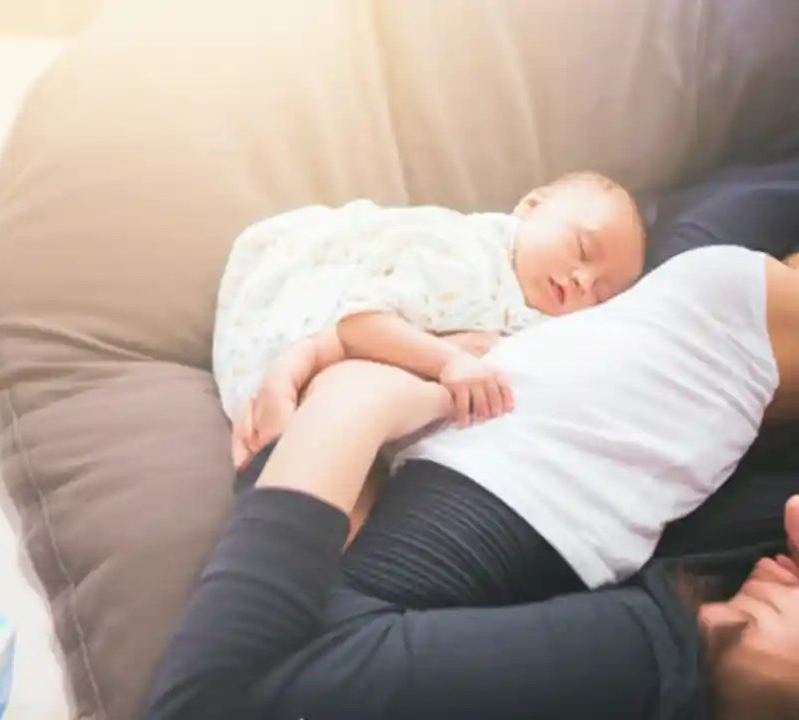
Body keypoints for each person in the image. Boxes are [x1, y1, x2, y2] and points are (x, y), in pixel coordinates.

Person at [144, 162, 799, 719]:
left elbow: (211, 695)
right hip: (475, 434)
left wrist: (362, 394)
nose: (582, 283)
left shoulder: (669, 648)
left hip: (425, 444)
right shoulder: (673, 649)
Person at [212, 172, 646, 467]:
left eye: (602, 292)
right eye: (583, 250)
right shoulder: (464, 256)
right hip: (329, 326)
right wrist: (447, 361)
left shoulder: (550, 326)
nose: (583, 279)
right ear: (531, 208)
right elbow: (358, 323)